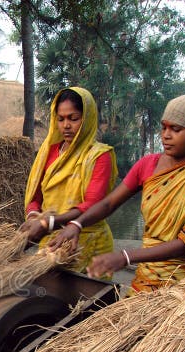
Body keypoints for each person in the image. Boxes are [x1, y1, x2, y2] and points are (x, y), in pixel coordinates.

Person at [48, 93, 185, 294]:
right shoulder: (148, 164)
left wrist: (126, 257)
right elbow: (109, 204)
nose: (166, 135)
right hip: (148, 278)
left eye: (176, 129)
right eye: (164, 127)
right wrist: (77, 224)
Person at [20, 87, 118, 272]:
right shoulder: (48, 152)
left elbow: (93, 204)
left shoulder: (99, 156)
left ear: (87, 119)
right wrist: (34, 216)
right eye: (61, 119)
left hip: (86, 242)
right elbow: (35, 196)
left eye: (74, 119)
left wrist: (48, 222)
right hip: (51, 245)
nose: (66, 125)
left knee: (85, 299)